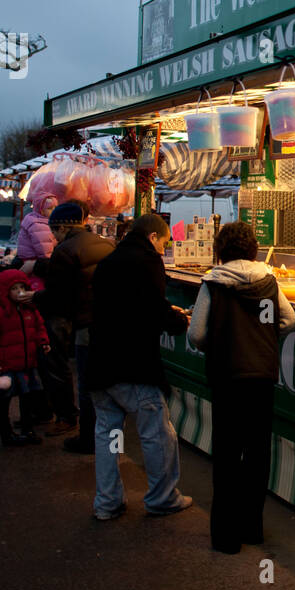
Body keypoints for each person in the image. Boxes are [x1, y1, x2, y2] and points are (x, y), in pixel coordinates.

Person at [188, 221, 295, 553]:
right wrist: (261, 338)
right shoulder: (267, 282)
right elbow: (289, 320)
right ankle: (252, 528)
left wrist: (222, 342)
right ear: (252, 248)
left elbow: (196, 335)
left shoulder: (213, 284)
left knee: (226, 455)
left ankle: (226, 537)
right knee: (257, 454)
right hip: (260, 376)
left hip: (227, 376)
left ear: (221, 249)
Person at [86, 213, 192, 521]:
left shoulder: (110, 260)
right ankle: (162, 498)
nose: (164, 250)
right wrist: (177, 320)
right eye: (165, 243)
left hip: (100, 362)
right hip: (132, 365)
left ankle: (107, 503)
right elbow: (150, 308)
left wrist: (162, 311)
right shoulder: (146, 261)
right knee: (157, 433)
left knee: (107, 434)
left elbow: (130, 304)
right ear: (153, 237)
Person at [34, 201, 114, 453]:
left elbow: (59, 296)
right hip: (107, 322)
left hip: (83, 326)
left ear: (61, 228)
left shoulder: (64, 251)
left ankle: (87, 438)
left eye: (53, 231)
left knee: (86, 384)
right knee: (104, 385)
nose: (53, 236)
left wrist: (34, 297)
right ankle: (110, 439)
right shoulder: (106, 244)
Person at [0, 269, 50, 446]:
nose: (19, 292)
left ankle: (28, 429)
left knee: (28, 398)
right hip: (8, 366)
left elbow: (39, 327)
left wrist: (43, 341)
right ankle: (6, 433)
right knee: (4, 399)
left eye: (22, 287)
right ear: (5, 291)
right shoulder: (1, 314)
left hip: (27, 363)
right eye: (14, 288)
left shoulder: (30, 310)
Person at [16, 194, 58, 261]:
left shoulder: (34, 218)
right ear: (41, 210)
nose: (54, 210)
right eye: (50, 208)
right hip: (33, 260)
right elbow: (44, 250)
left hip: (29, 258)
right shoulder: (39, 224)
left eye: (55, 207)